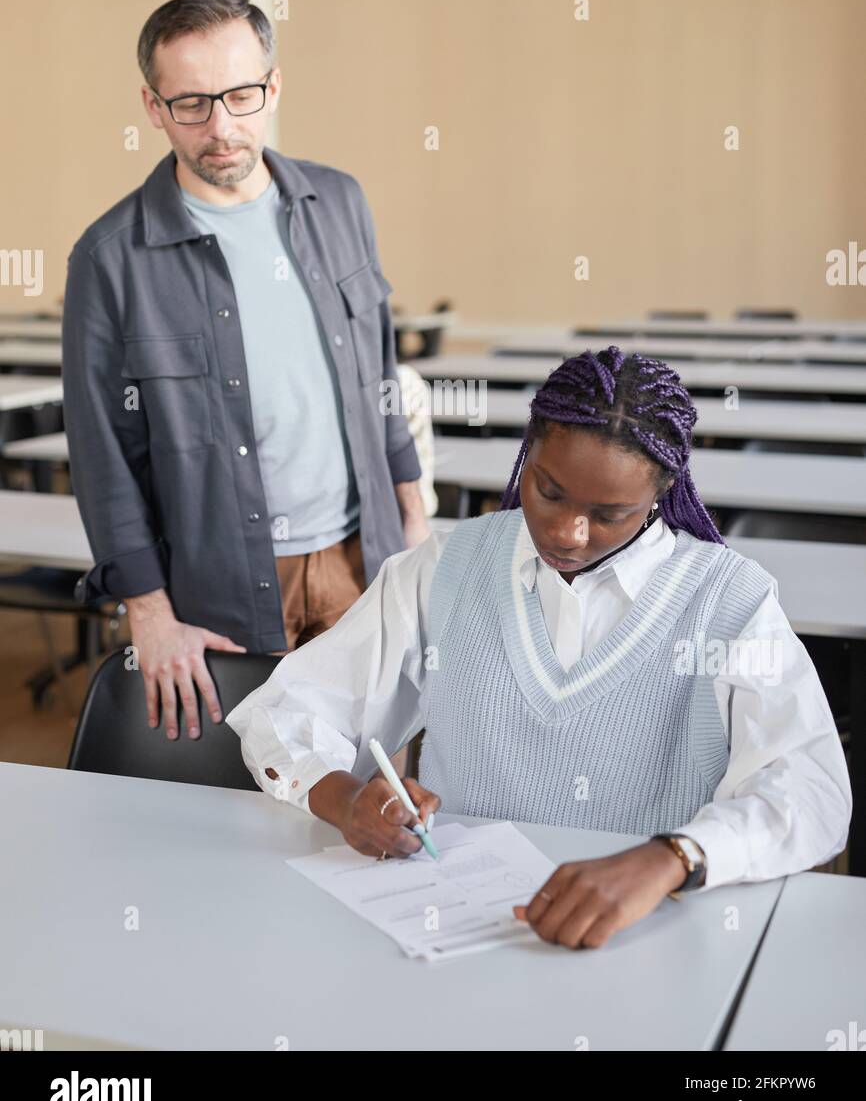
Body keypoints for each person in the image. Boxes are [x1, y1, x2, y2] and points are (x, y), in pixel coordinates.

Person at [226, 347, 851, 951]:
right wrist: (345, 798)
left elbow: (811, 792)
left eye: (609, 514)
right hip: (453, 928)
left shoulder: (729, 601)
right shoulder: (446, 567)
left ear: (661, 493)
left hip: (649, 935)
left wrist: (672, 858)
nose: (567, 532)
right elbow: (285, 709)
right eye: (549, 492)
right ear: (527, 457)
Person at [62, 0, 428, 742]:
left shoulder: (340, 202)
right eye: (191, 103)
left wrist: (415, 522)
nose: (221, 127)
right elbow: (103, 460)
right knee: (252, 796)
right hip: (225, 588)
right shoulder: (110, 260)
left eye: (240, 94)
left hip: (368, 562)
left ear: (274, 87)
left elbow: (381, 375)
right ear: (153, 106)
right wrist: (149, 613)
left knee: (380, 785)